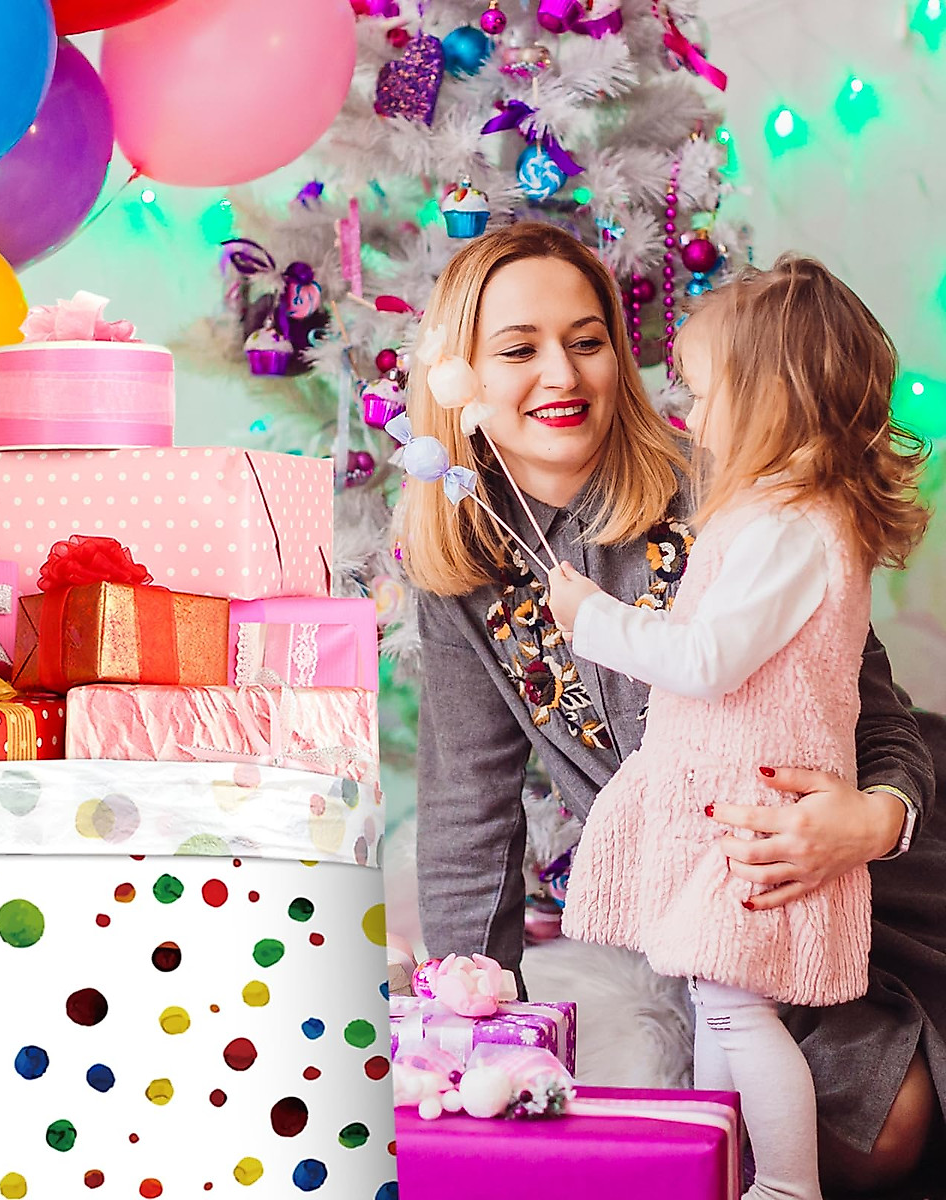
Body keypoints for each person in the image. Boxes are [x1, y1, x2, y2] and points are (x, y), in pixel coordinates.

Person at [403, 222, 946, 1191]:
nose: (562, 374)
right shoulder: (467, 569)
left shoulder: (740, 489)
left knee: (883, 1128)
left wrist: (873, 819)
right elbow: (466, 812)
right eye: (519, 349)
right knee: (705, 1112)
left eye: (587, 340)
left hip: (842, 870)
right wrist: (471, 1011)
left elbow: (880, 717)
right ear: (462, 377)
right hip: (694, 899)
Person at [540, 256, 928, 1200]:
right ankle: (725, 1168)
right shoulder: (775, 516)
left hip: (752, 818)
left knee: (732, 1009)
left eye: (707, 392)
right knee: (722, 1002)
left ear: (770, 402)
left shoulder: (789, 526)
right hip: (732, 807)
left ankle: (785, 1184)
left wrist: (596, 621)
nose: (690, 410)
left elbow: (708, 659)